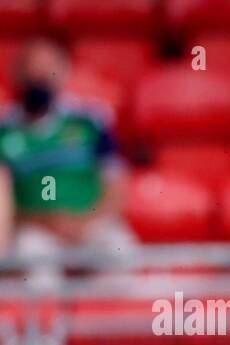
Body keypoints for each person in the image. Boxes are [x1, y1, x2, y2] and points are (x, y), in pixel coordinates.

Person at [0, 38, 134, 287]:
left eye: (47, 68)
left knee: (120, 249)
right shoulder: (4, 131)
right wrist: (45, 221)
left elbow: (115, 185)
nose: (38, 76)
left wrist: (84, 221)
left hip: (90, 224)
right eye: (31, 68)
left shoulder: (90, 122)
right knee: (32, 259)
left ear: (62, 73)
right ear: (16, 74)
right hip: (34, 231)